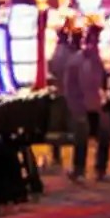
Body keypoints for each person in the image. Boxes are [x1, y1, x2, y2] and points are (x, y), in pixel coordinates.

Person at [63, 19, 110, 181]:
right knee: (81, 135)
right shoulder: (76, 61)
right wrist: (76, 108)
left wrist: (107, 93)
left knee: (105, 133)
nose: (95, 45)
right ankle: (79, 170)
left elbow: (104, 81)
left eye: (97, 41)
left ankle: (100, 168)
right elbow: (70, 87)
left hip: (97, 104)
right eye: (92, 40)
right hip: (80, 105)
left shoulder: (98, 60)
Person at [46, 21, 81, 168]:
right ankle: (77, 163)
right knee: (74, 128)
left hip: (58, 93)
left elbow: (51, 70)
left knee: (56, 128)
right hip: (71, 95)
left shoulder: (57, 52)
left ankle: (56, 157)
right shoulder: (72, 53)